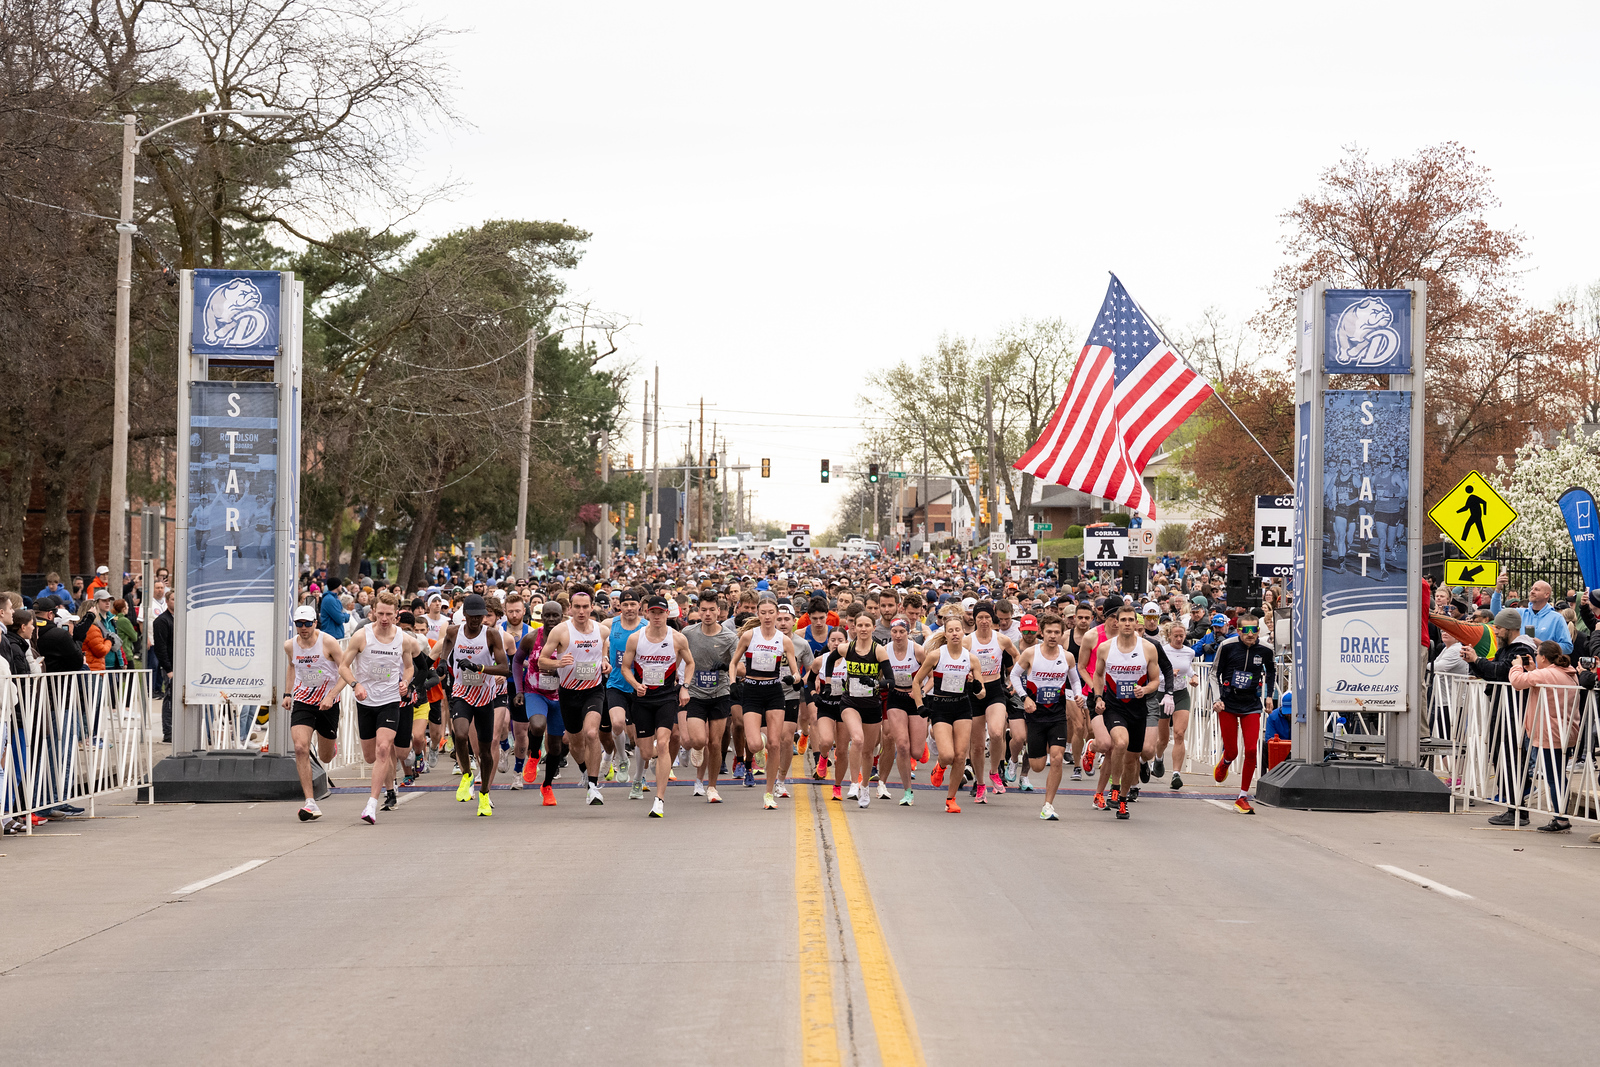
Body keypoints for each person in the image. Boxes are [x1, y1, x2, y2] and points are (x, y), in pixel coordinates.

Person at [338, 592, 419, 824]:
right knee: (371, 756)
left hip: (390, 700)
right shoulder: (361, 636)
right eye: (380, 613)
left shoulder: (402, 639)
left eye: (389, 615)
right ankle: (387, 785)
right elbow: (343, 666)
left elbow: (409, 667)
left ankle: (371, 804)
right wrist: (355, 684)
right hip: (365, 701)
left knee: (384, 748)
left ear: (397, 615)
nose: (384, 619)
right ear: (373, 612)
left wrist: (405, 682)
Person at [431, 593, 513, 815]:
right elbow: (447, 643)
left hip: (486, 695)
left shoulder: (492, 635)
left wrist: (481, 668)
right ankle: (467, 775)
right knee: (460, 734)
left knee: (485, 751)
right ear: (464, 615)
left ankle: (484, 794)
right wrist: (443, 662)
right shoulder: (454, 631)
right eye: (473, 616)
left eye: (481, 616)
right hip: (462, 692)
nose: (477, 620)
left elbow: (506, 669)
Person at [621, 594, 695, 817]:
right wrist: (635, 684)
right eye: (652, 612)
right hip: (642, 699)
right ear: (646, 613)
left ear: (666, 614)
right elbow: (625, 667)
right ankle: (656, 763)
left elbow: (690, 663)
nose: (656, 616)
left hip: (666, 697)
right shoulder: (635, 638)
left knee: (663, 743)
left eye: (660, 612)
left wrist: (685, 686)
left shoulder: (677, 639)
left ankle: (659, 799)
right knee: (645, 752)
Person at [1497, 641, 1580, 832]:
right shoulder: (1568, 672)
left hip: (1550, 733)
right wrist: (1533, 669)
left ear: (1543, 657)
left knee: (1554, 777)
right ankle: (1561, 816)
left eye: (1537, 655)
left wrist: (1517, 666)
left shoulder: (1548, 674)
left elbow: (1517, 682)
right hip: (1565, 731)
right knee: (1557, 775)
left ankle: (1561, 819)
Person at [731, 595, 803, 810]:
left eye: (772, 613)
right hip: (752, 690)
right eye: (763, 613)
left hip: (774, 691)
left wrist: (794, 679)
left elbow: (796, 672)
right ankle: (758, 744)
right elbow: (733, 663)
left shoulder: (784, 640)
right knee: (754, 744)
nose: (768, 617)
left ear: (776, 614)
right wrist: (733, 682)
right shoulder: (749, 636)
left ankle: (769, 793)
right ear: (758, 615)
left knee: (775, 743)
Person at [539, 588, 610, 806]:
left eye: (585, 607)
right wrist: (558, 663)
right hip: (569, 692)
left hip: (593, 690)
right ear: (570, 608)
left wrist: (605, 660)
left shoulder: (602, 630)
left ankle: (593, 786)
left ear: (592, 608)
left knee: (591, 733)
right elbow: (542, 661)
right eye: (576, 607)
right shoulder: (561, 631)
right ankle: (584, 770)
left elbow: (604, 648)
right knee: (576, 744)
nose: (581, 611)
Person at [1091, 603, 1162, 819]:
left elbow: (1156, 680)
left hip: (1138, 708)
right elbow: (1097, 674)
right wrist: (1098, 697)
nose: (1127, 624)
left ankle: (1122, 800)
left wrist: (1145, 689)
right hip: (1115, 707)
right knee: (1119, 743)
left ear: (1136, 622)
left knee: (1132, 759)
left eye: (1131, 620)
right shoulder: (1106, 647)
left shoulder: (1148, 648)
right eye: (1123, 620)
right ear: (1116, 622)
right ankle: (1114, 787)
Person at [910, 608, 983, 813]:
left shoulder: (971, 659)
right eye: (950, 630)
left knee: (960, 756)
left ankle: (950, 799)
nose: (954, 633)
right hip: (941, 706)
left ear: (963, 633)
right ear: (945, 633)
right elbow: (916, 682)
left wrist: (977, 687)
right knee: (948, 755)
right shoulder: (936, 655)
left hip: (962, 707)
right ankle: (940, 766)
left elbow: (982, 691)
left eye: (958, 630)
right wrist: (920, 706)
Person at [1008, 612, 1079, 820]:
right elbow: (1014, 675)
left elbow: (1074, 681)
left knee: (1056, 758)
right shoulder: (1031, 653)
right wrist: (1025, 698)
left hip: (1057, 715)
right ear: (1042, 632)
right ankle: (1022, 754)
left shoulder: (1067, 657)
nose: (1053, 636)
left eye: (1057, 632)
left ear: (1061, 633)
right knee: (1038, 766)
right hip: (1035, 714)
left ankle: (1048, 805)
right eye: (1049, 632)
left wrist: (1078, 695)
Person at [281, 604, 346, 820]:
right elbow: (292, 667)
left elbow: (346, 672)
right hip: (303, 700)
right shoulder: (290, 645)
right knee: (300, 747)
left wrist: (330, 696)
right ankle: (310, 802)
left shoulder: (328, 642)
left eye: (307, 624)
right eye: (299, 624)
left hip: (328, 702)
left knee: (326, 757)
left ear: (315, 623)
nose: (303, 628)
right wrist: (288, 693)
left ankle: (331, 745)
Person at [1209, 612, 1276, 814]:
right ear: (1238, 630)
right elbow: (1214, 673)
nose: (1250, 634)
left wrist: (1269, 696)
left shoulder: (1265, 649)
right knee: (1233, 750)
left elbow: (1271, 671)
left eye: (1254, 630)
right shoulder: (1227, 646)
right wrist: (1217, 699)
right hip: (1228, 702)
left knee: (1251, 750)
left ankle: (1242, 796)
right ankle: (1226, 760)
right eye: (1245, 630)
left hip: (1251, 704)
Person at [682, 594, 736, 803]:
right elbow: (676, 656)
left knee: (715, 743)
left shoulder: (729, 637)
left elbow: (740, 665)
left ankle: (712, 786)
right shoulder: (688, 633)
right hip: (695, 692)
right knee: (698, 740)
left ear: (719, 611)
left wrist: (725, 666)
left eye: (711, 610)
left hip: (719, 693)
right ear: (698, 610)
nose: (707, 614)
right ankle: (697, 750)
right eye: (703, 609)